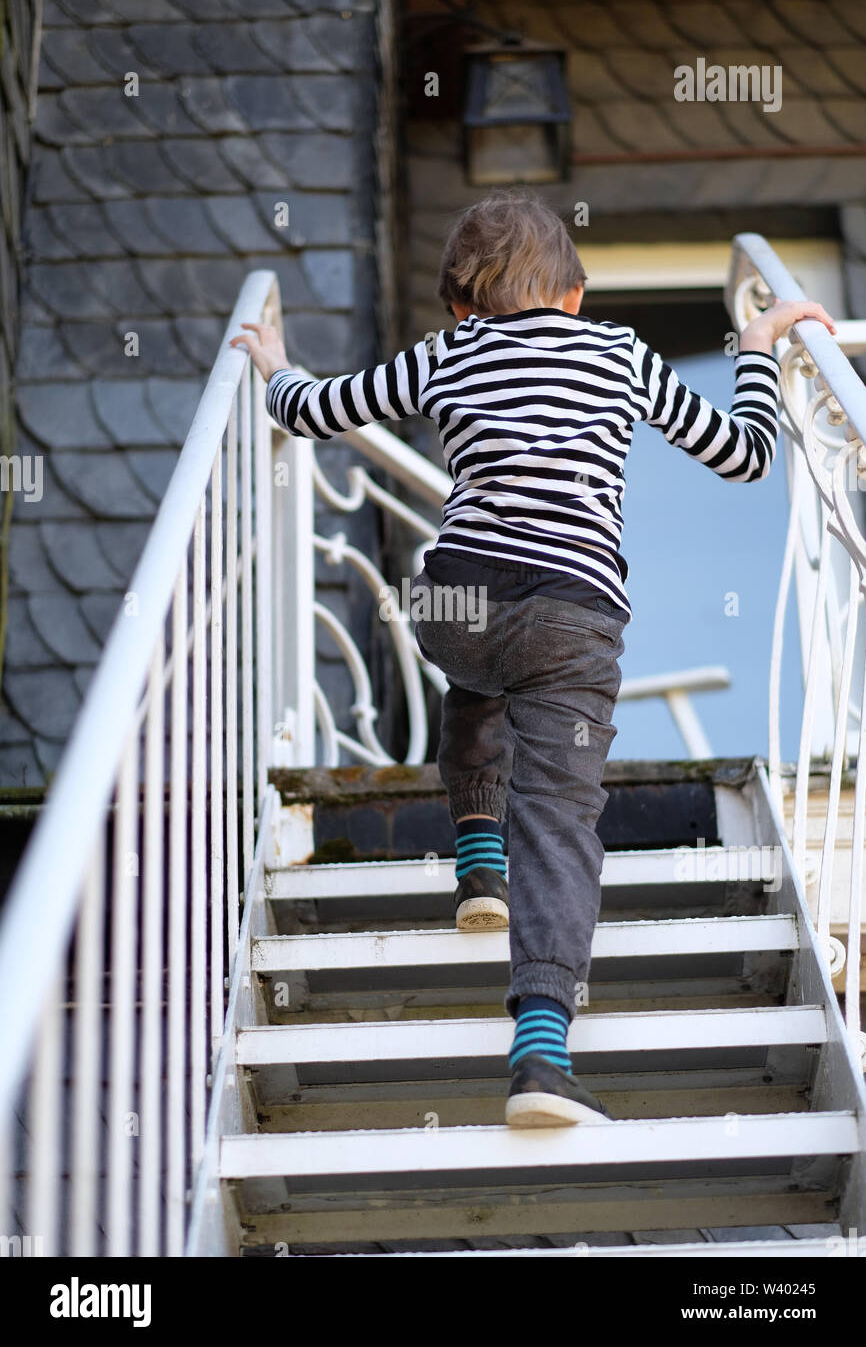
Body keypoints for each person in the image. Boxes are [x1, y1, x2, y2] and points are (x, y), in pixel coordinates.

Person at [232, 190, 835, 1128]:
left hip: (453, 596)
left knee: (477, 676)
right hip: (571, 615)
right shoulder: (621, 354)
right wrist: (752, 349)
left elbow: (319, 409)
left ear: (465, 304)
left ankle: (477, 860)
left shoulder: (449, 352)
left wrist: (271, 364)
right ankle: (542, 1055)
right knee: (556, 818)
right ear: (575, 296)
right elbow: (746, 454)